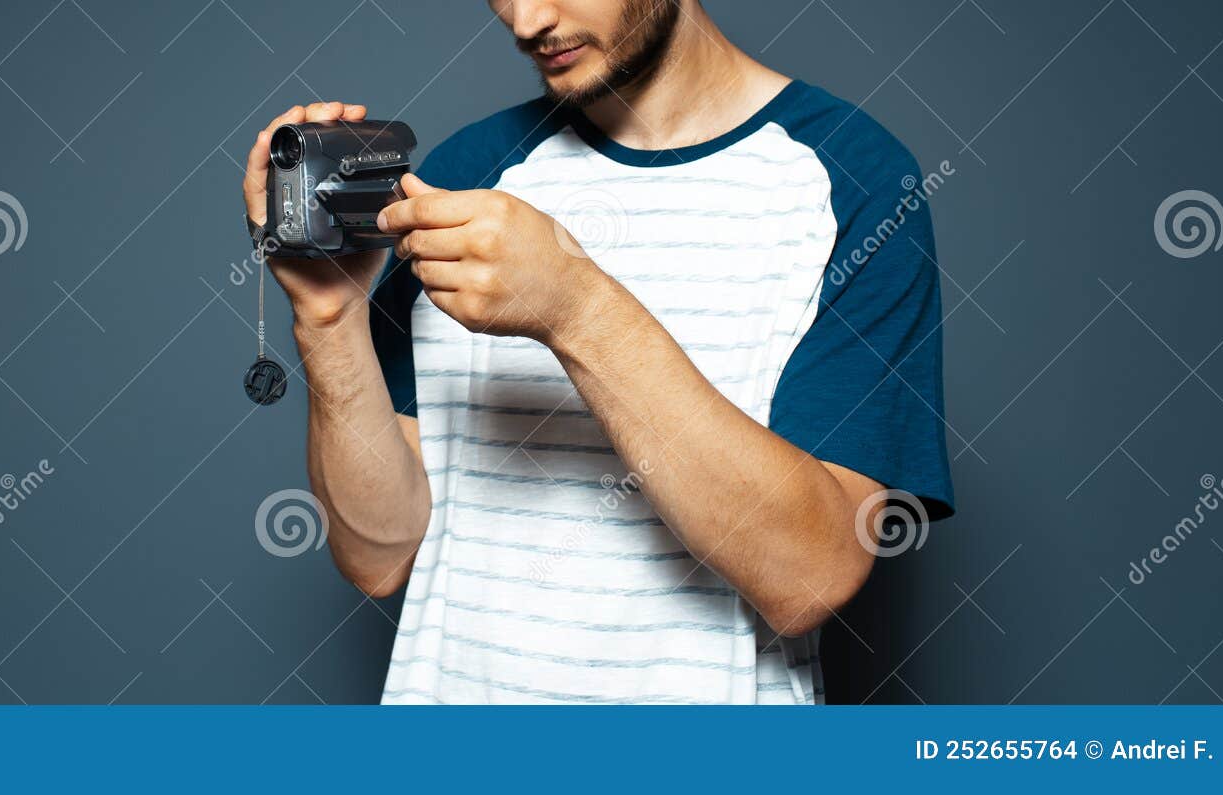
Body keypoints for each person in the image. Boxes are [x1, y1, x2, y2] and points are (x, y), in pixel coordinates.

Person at [240, 0, 954, 704]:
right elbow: (377, 555)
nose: (525, 23)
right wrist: (327, 317)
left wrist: (574, 307)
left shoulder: (850, 181)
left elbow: (808, 576)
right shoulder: (471, 170)